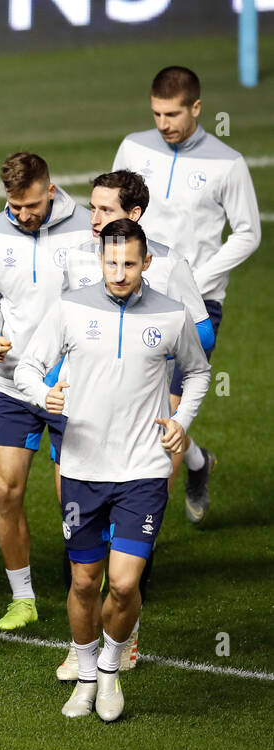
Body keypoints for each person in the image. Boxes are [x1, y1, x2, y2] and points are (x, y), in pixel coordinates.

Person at [15, 219, 209, 721]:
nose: (119, 273)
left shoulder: (171, 314)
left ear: (146, 263)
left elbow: (199, 370)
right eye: (111, 262)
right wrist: (44, 394)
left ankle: (108, 671)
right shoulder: (72, 307)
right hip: (82, 466)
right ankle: (83, 677)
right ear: (99, 261)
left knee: (124, 584)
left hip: (143, 468)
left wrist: (181, 421)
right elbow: (28, 367)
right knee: (84, 581)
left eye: (129, 263)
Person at [54, 169, 213, 677]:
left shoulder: (170, 265)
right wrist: (55, 381)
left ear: (135, 217)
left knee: (135, 522)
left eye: (105, 210)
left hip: (149, 397)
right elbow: (62, 329)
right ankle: (83, 645)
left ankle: (125, 635)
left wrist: (162, 376)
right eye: (92, 208)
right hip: (84, 406)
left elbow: (201, 336)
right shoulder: (81, 257)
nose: (94, 219)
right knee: (78, 527)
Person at [113, 65, 261, 524]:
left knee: (166, 418)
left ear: (196, 108)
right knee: (136, 408)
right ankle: (199, 463)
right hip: (136, 297)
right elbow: (118, 212)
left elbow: (248, 233)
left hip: (198, 307)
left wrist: (195, 277)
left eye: (173, 114)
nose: (164, 124)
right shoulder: (134, 147)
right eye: (157, 114)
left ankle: (139, 546)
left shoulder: (228, 163)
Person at [0, 152, 89, 631]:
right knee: (5, 490)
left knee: (75, 496)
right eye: (14, 206)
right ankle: (23, 597)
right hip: (11, 384)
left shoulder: (87, 227)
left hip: (68, 384)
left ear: (51, 189)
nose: (22, 215)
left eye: (32, 205)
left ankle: (86, 583)